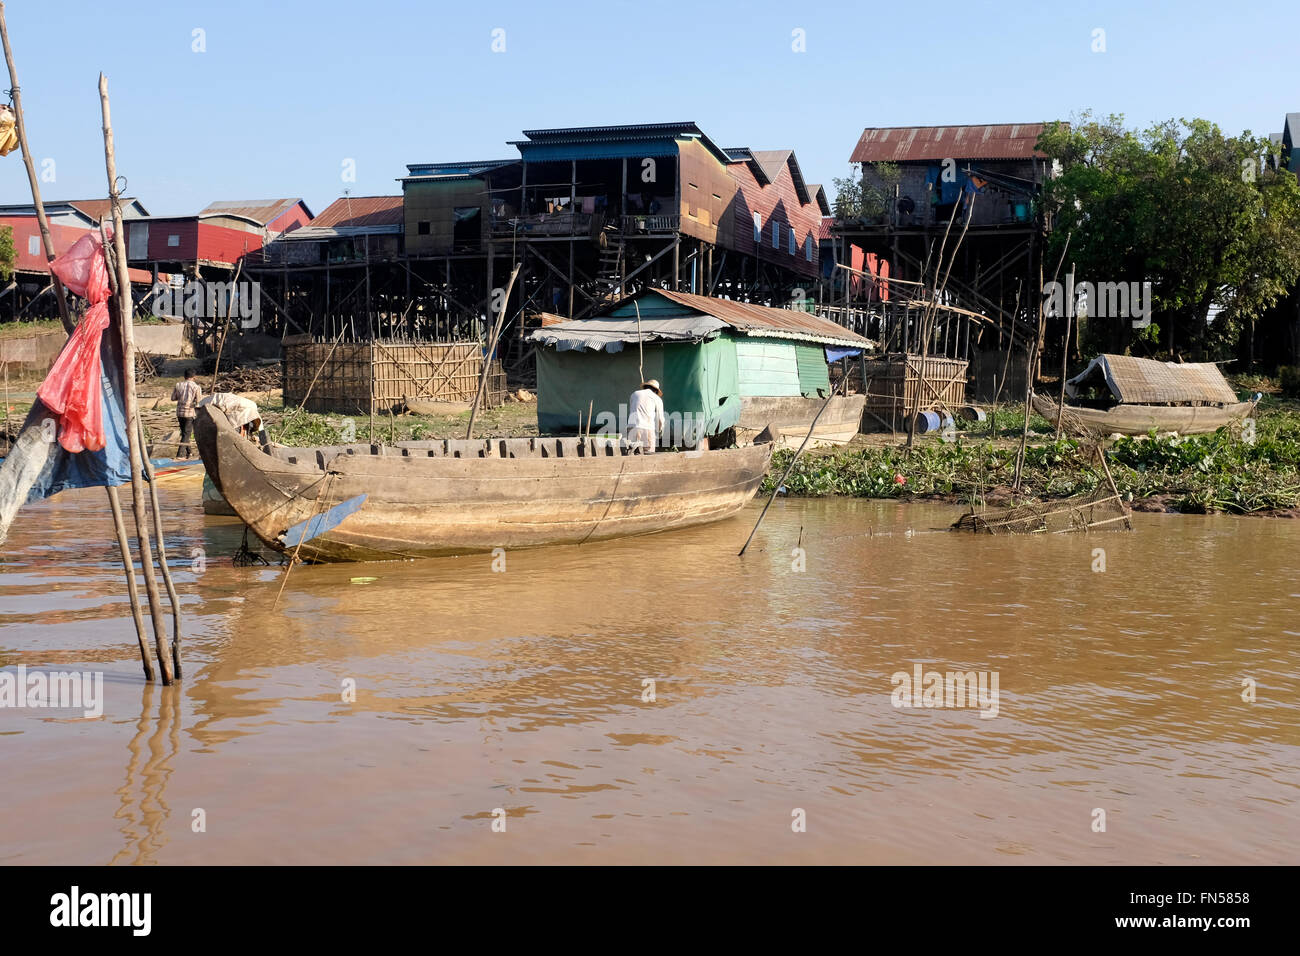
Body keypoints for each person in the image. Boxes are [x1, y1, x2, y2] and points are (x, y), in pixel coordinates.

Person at [171, 368, 202, 458]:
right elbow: (199, 402)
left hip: (180, 413)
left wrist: (181, 398)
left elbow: (173, 398)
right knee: (187, 434)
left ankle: (189, 452)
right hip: (189, 413)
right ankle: (180, 454)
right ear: (194, 377)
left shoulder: (178, 385)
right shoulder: (196, 387)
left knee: (184, 433)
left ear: (184, 376)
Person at [627, 379, 665, 453]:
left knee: (633, 454)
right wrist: (660, 431)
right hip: (647, 429)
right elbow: (660, 419)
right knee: (649, 455)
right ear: (656, 391)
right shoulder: (657, 398)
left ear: (645, 387)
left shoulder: (634, 394)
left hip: (631, 428)